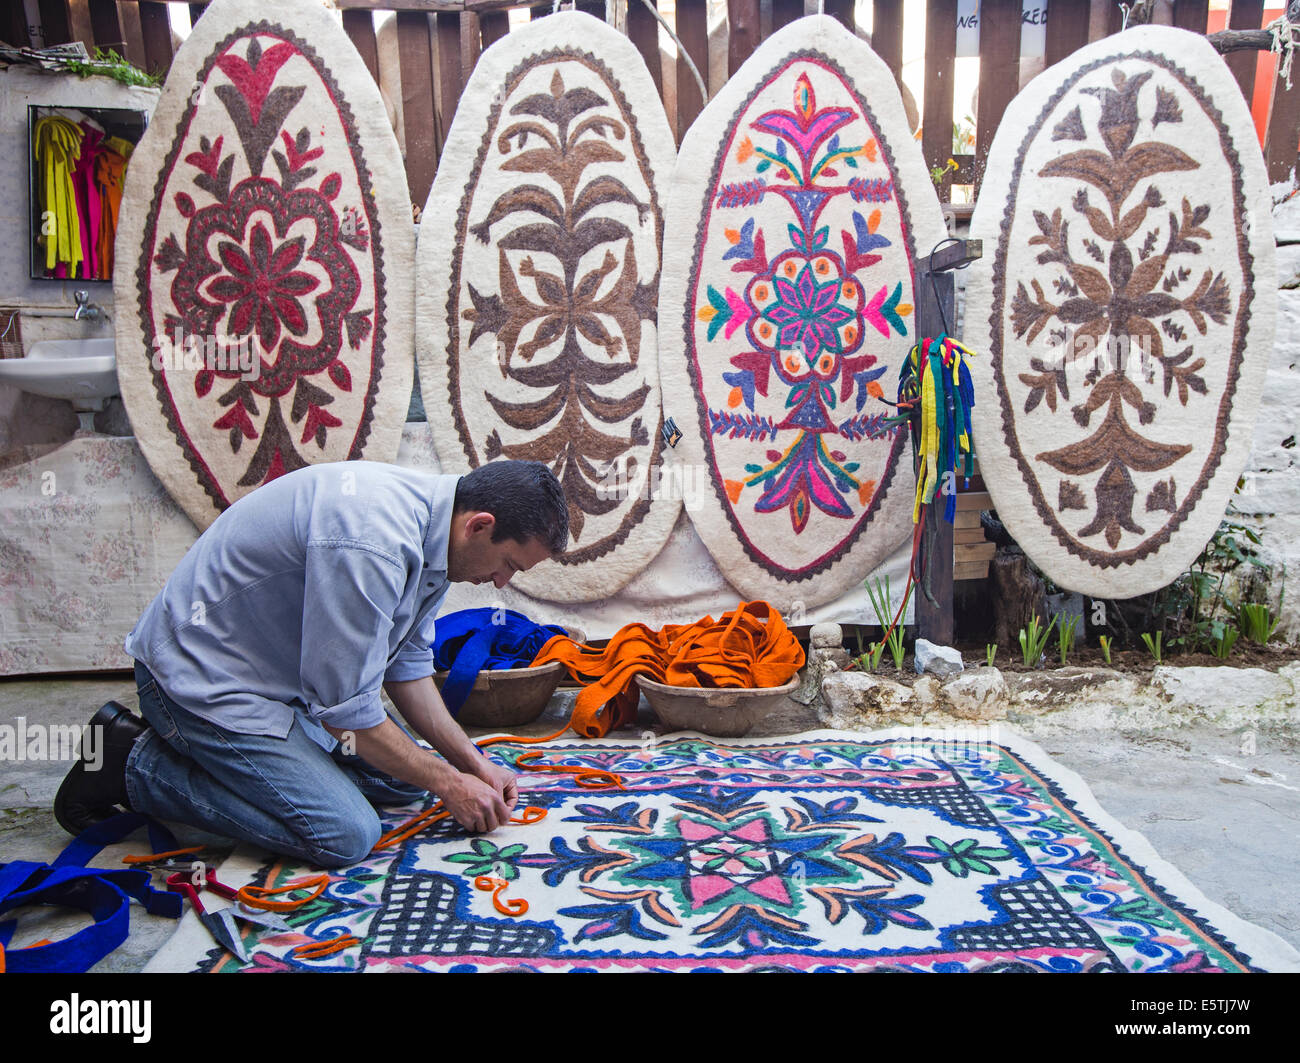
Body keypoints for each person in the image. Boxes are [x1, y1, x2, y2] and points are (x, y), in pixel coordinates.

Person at [53, 459, 569, 868]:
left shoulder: (440, 532)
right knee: (346, 834)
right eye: (509, 566)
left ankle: (281, 764)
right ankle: (130, 763)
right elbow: (346, 714)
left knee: (404, 780)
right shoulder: (372, 540)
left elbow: (406, 665)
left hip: (283, 686)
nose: (502, 582)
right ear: (481, 525)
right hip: (199, 682)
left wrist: (470, 763)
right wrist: (451, 784)